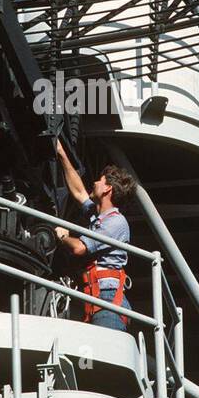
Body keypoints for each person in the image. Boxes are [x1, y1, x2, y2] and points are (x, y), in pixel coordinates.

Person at [54, 140, 136, 332]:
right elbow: (79, 191)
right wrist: (61, 153)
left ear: (108, 189)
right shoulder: (98, 216)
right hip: (95, 300)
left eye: (100, 181)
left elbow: (79, 248)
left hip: (109, 304)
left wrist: (63, 236)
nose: (95, 182)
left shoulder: (116, 222)